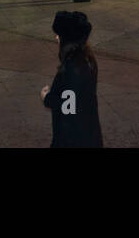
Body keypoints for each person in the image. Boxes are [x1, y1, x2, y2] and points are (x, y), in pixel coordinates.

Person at [42, 11, 103, 147]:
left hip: (73, 138)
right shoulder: (88, 59)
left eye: (59, 35)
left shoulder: (73, 66)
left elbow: (69, 107)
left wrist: (47, 97)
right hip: (88, 133)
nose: (56, 37)